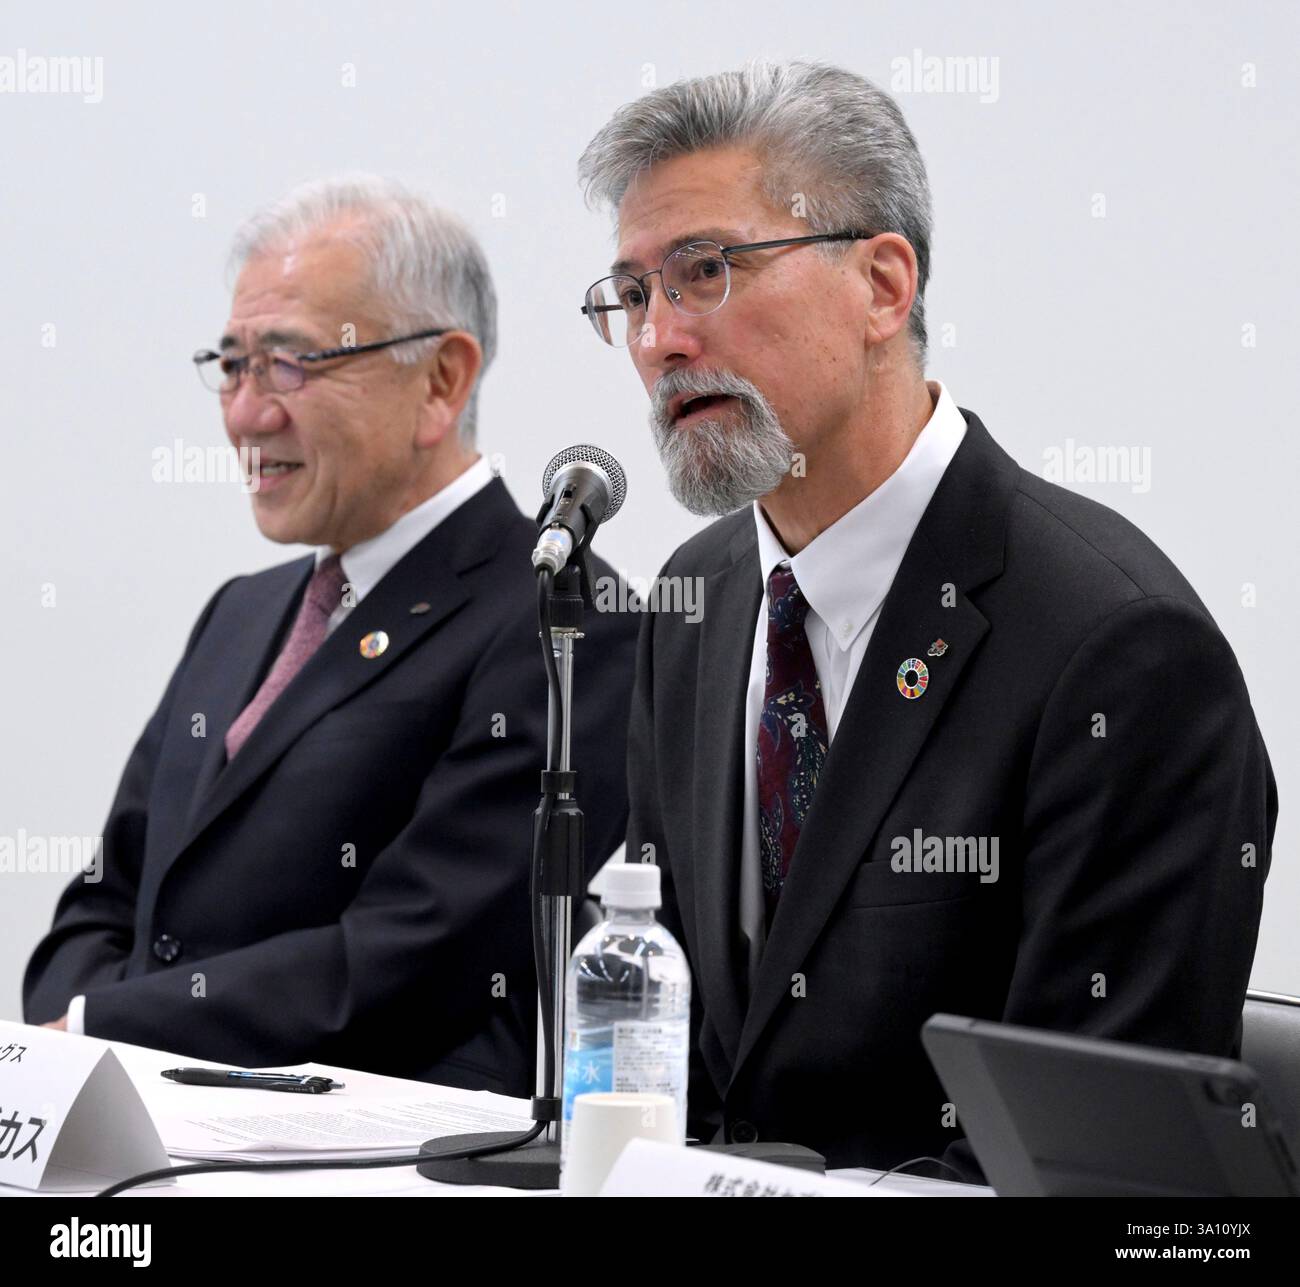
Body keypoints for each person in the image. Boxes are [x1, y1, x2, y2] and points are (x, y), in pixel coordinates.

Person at [577, 61, 1276, 1179]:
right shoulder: (695, 598)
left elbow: (1095, 1165)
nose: (659, 340)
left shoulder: (1117, 650)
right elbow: (685, 1062)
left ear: (883, 286)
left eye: (706, 271)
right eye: (632, 293)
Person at [24, 175, 638, 1096]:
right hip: (135, 1131)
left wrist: (107, 1025)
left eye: (289, 363)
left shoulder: (561, 615)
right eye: (231, 364)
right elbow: (104, 900)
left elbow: (415, 955)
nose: (244, 413)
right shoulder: (242, 610)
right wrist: (75, 1035)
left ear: (441, 378)